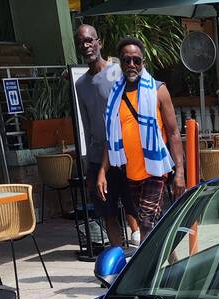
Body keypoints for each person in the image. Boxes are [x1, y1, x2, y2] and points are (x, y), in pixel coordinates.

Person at [97, 39, 184, 244]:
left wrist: (179, 172)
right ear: (121, 63)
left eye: (136, 60)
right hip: (131, 173)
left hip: (155, 171)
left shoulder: (158, 90)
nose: (132, 65)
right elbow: (110, 138)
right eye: (127, 60)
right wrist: (102, 171)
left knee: (145, 223)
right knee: (154, 222)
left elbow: (173, 132)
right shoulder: (115, 96)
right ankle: (169, 264)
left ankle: (147, 272)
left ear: (143, 62)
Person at [73, 22, 124, 248]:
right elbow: (85, 125)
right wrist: (88, 166)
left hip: (122, 154)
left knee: (140, 214)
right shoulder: (80, 83)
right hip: (96, 157)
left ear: (99, 42)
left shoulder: (117, 72)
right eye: (81, 42)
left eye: (89, 40)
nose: (86, 45)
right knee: (108, 213)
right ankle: (117, 265)